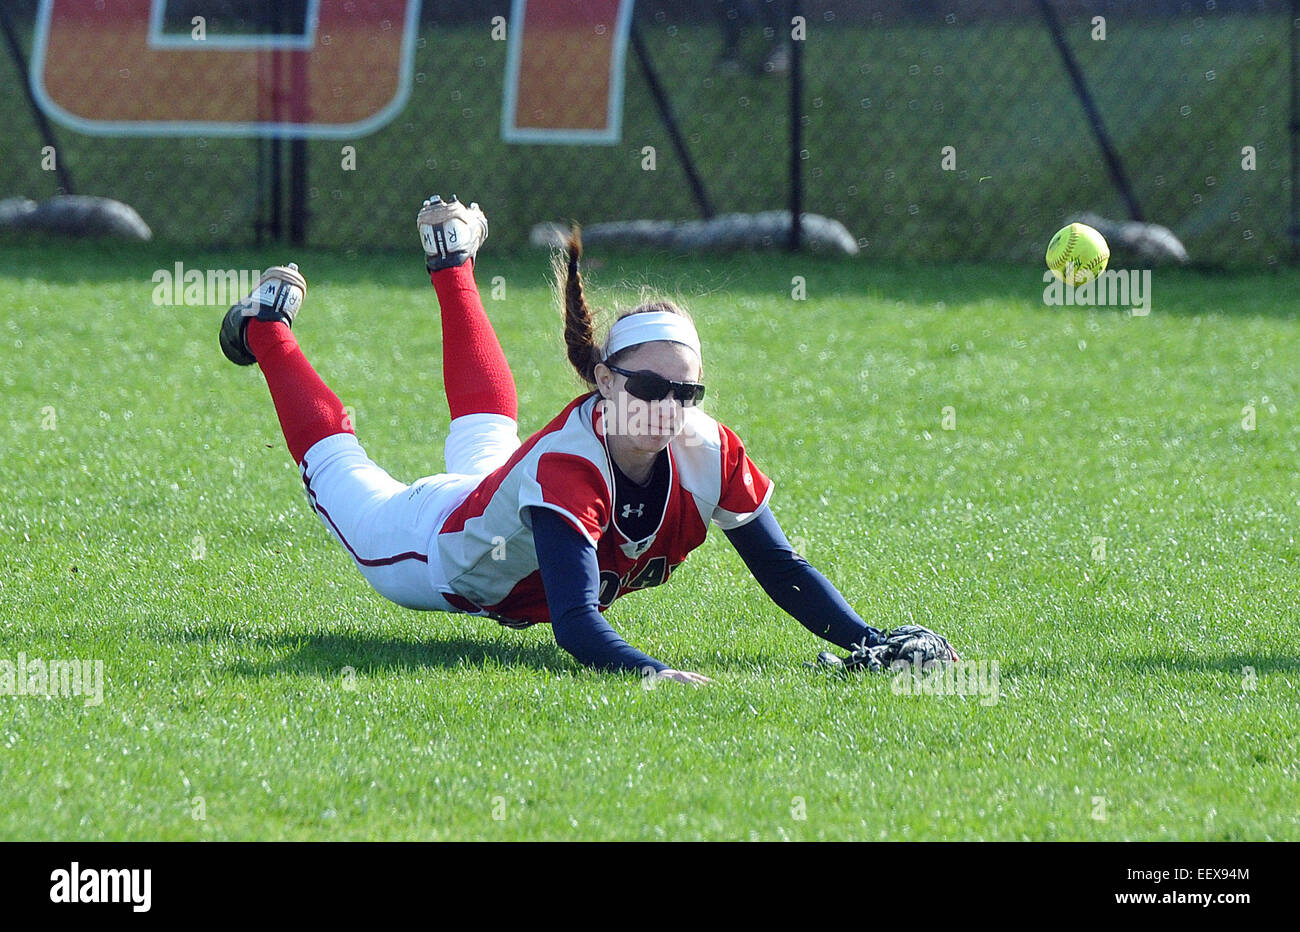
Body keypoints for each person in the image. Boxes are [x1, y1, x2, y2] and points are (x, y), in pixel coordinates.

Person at [217, 195, 957, 684]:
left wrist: (867, 639)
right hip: (435, 550)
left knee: (489, 440)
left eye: (687, 392)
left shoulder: (707, 451)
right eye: (649, 387)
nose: (670, 407)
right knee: (341, 466)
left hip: (502, 496)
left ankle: (451, 257)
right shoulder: (571, 467)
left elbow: (780, 566)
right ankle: (264, 328)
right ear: (604, 382)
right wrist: (656, 674)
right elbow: (575, 624)